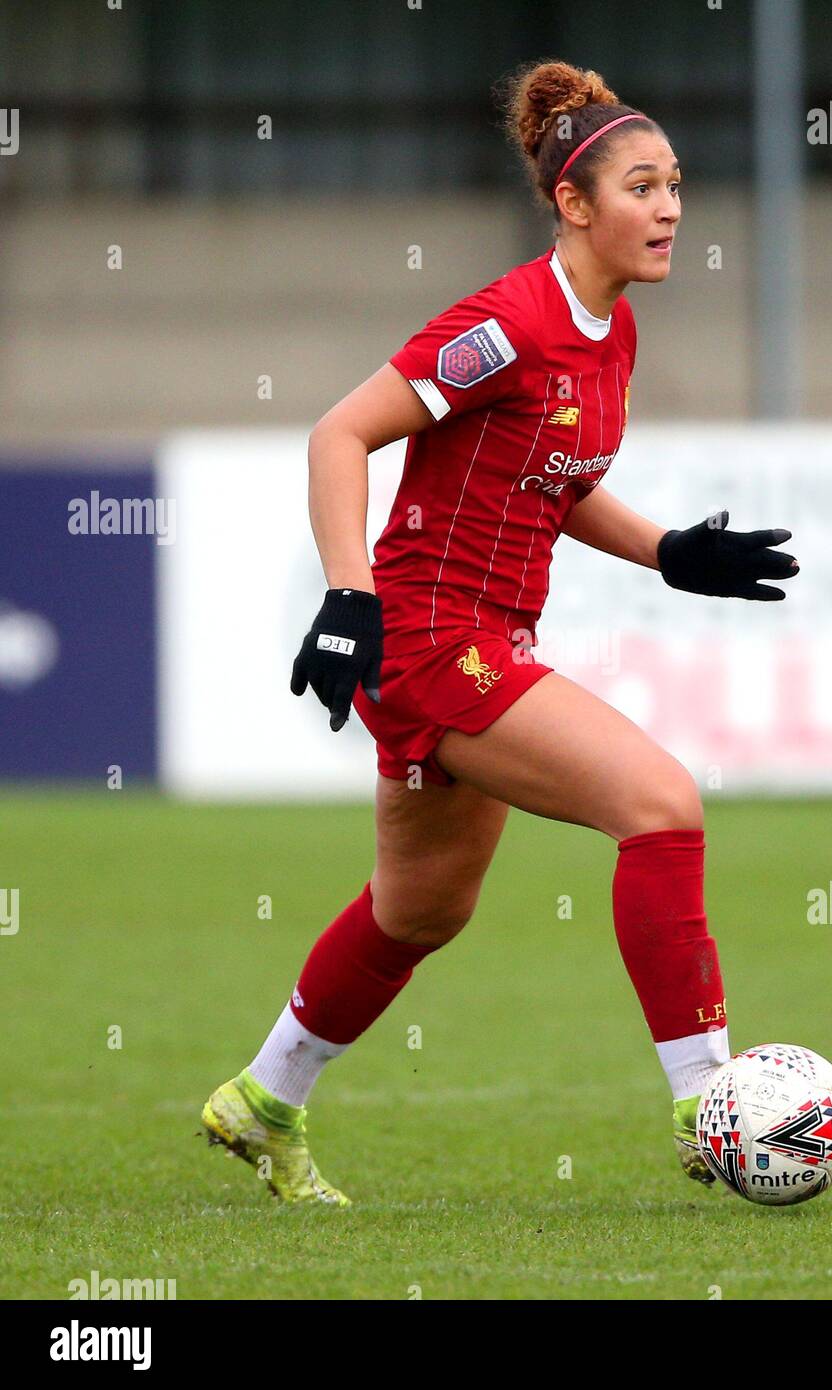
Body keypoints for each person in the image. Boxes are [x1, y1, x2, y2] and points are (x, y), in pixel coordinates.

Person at [200, 60, 797, 1205]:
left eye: (675, 183)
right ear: (575, 205)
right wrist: (346, 596)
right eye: (641, 186)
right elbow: (339, 433)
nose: (669, 207)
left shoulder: (609, 335)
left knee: (421, 909)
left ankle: (263, 1102)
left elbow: (550, 482)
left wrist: (670, 551)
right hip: (428, 637)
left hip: (487, 636)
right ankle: (711, 1103)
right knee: (661, 801)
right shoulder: (506, 323)